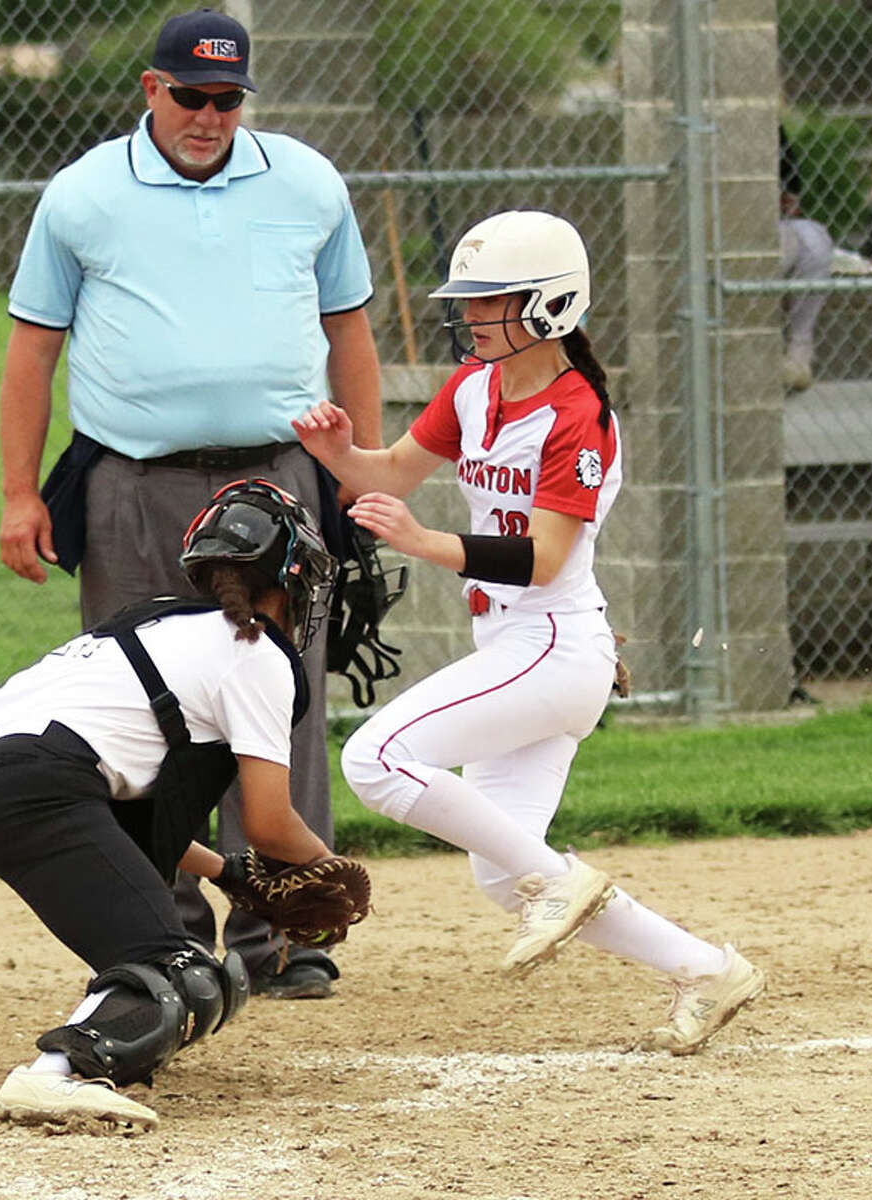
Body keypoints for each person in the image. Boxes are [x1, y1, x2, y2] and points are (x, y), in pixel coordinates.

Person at [292, 210, 766, 1055]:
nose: (470, 316)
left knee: (375, 758)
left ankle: (564, 880)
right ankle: (706, 969)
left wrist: (424, 542)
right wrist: (338, 454)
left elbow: (545, 560)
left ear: (551, 304)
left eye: (491, 300)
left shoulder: (578, 413)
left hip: (552, 646)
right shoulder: (475, 387)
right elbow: (391, 469)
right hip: (517, 650)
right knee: (507, 877)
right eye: (469, 300)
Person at [0, 6, 381, 1000]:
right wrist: (19, 494)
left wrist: (361, 473)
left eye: (226, 99)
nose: (209, 117)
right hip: (132, 481)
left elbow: (350, 331)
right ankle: (163, 928)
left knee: (280, 698)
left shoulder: (306, 183)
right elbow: (33, 350)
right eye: (190, 96)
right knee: (140, 708)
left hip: (279, 477)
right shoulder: (84, 195)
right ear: (151, 89)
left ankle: (285, 931)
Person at [0, 480, 341, 1129]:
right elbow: (268, 823)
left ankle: (127, 1012)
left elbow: (124, 825)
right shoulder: (256, 651)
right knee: (182, 973)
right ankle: (57, 1073)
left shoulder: (158, 620)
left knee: (185, 969)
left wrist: (226, 872)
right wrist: (328, 866)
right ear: (291, 582)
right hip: (28, 785)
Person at [779, 125, 834, 392]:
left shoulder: (772, 128)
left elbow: (791, 190)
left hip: (770, 230)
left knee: (815, 239)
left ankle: (798, 354)